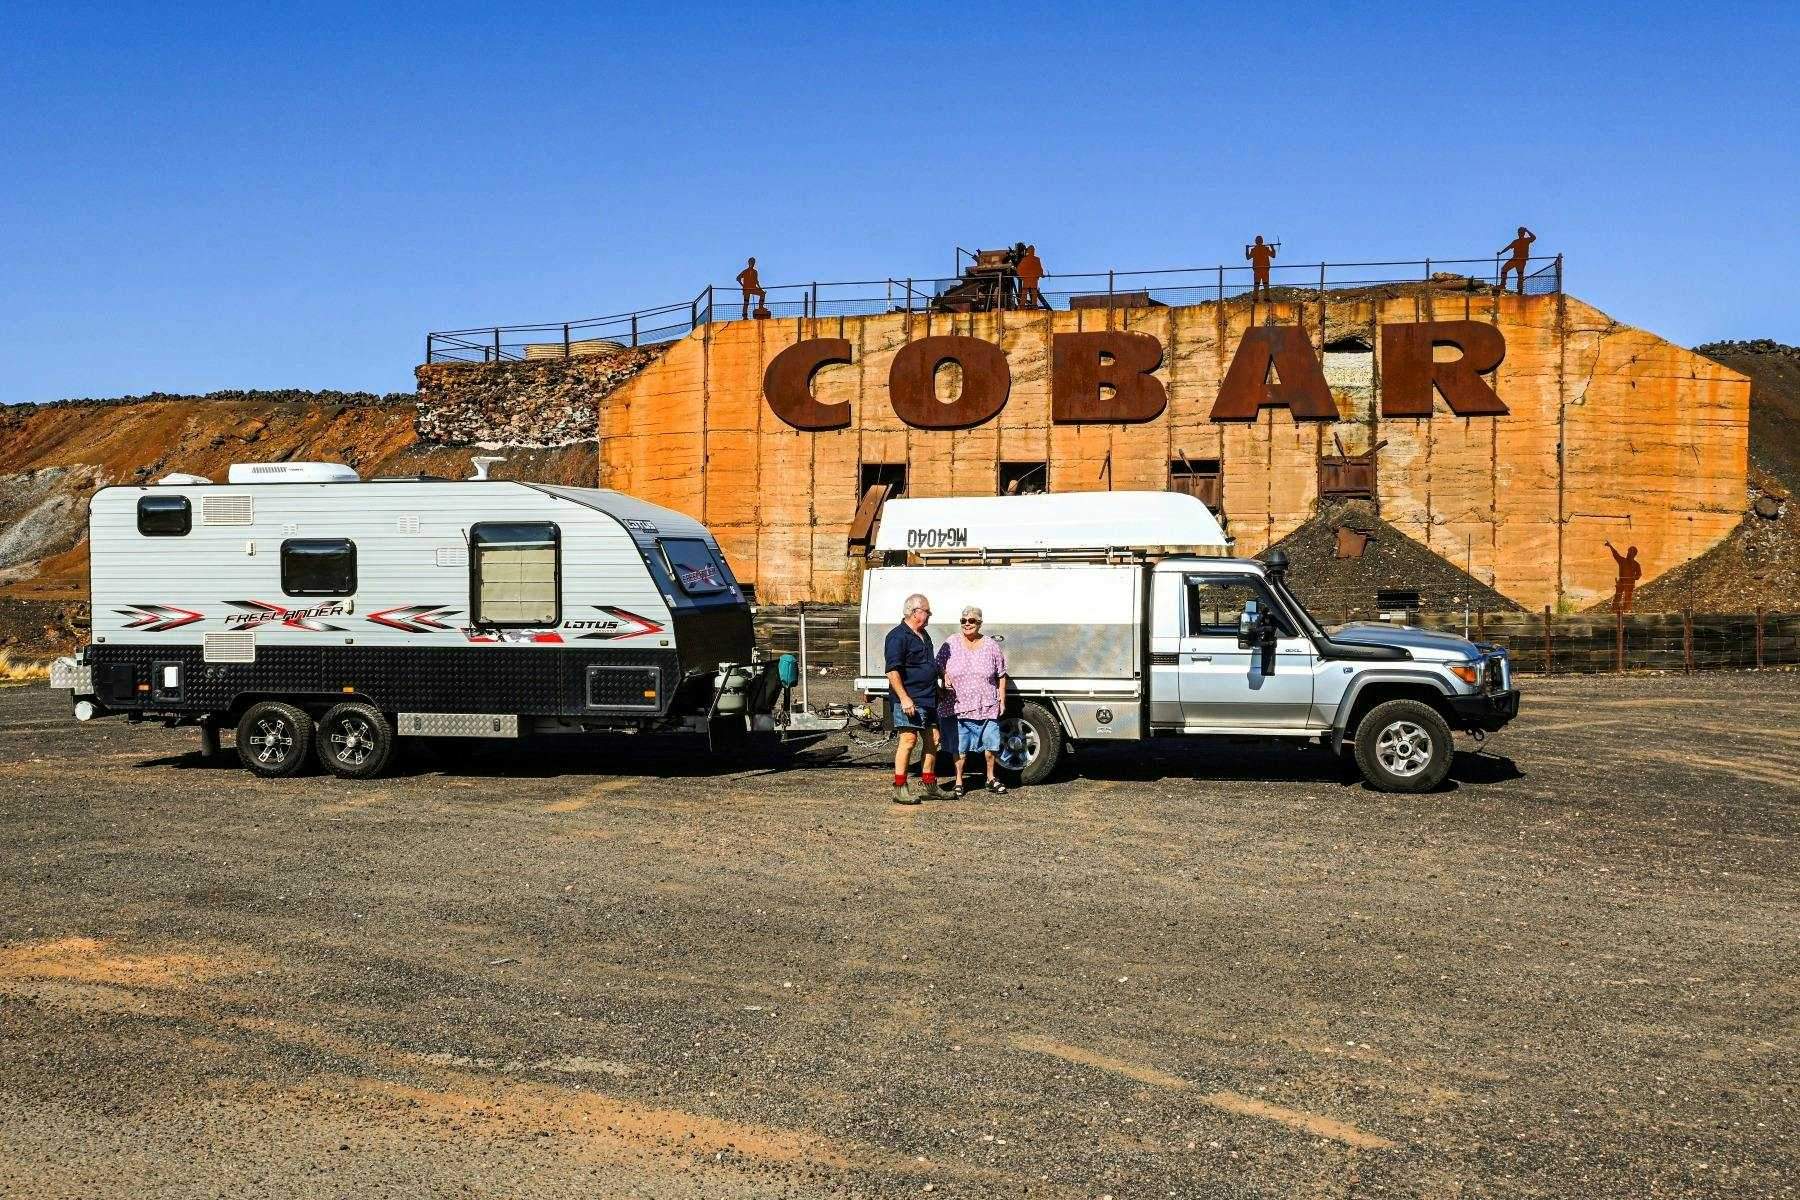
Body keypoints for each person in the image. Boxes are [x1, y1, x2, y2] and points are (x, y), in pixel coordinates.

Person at [935, 606, 1011, 796]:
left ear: (980, 623)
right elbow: (937, 665)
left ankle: (991, 778)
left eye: (972, 621)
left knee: (991, 745)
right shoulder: (951, 642)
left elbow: (1001, 674)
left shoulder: (991, 645)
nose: (967, 624)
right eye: (963, 620)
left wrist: (1002, 697)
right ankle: (959, 781)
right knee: (959, 747)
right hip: (959, 704)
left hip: (986, 703)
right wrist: (944, 675)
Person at [883, 593, 941, 803]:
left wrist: (941, 679)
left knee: (933, 738)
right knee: (908, 740)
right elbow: (892, 671)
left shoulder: (924, 635)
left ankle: (929, 784)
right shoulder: (898, 636)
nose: (930, 614)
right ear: (915, 612)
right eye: (927, 611)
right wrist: (904, 698)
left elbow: (928, 665)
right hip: (909, 698)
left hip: (929, 697)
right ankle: (900, 787)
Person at [1605, 541, 1642, 613]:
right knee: (1618, 597)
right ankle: (1614, 612)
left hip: (1629, 585)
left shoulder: (1636, 564)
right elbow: (1616, 554)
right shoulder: (1623, 561)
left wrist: (1634, 578)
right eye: (1629, 552)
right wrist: (1610, 546)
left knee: (1627, 599)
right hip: (1621, 583)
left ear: (1634, 555)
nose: (1629, 554)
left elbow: (1639, 574)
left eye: (1631, 553)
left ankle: (1625, 612)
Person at [1498, 227, 1536, 295]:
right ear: (1518, 233)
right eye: (1520, 232)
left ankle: (1520, 289)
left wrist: (1527, 230)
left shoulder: (1526, 240)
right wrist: (1501, 252)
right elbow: (1508, 247)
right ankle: (1503, 284)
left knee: (1520, 274)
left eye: (1522, 232)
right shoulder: (1516, 241)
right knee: (1504, 269)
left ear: (1524, 233)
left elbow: (1534, 237)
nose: (1521, 234)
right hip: (1514, 259)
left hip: (1521, 260)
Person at [1246, 235, 1277, 301]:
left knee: (1260, 284)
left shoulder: (1256, 249)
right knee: (1263, 284)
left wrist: (1247, 248)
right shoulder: (1263, 249)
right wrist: (1272, 248)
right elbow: (1273, 255)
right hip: (1261, 270)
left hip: (1261, 270)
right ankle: (1263, 298)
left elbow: (1248, 257)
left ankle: (1258, 298)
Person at [1016, 244, 1046, 310]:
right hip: (1031, 279)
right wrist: (1041, 274)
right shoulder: (1036, 259)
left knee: (1027, 292)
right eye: (1032, 250)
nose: (1033, 251)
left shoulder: (1026, 259)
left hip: (1028, 279)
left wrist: (1021, 276)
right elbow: (1039, 269)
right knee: (1032, 292)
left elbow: (1019, 269)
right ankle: (1032, 305)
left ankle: (1023, 305)